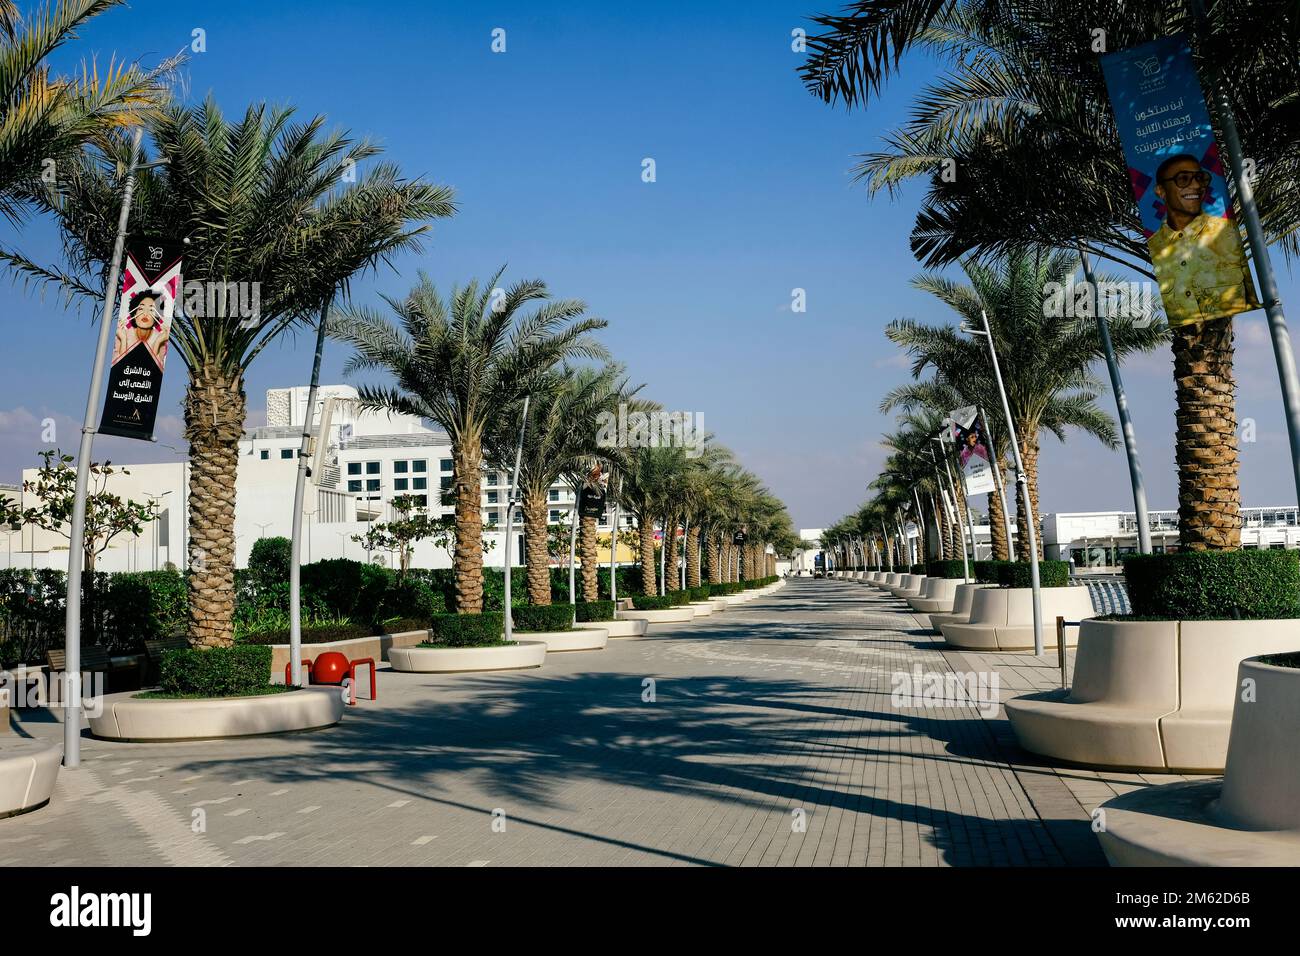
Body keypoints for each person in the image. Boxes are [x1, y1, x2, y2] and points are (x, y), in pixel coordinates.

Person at [1147, 153, 1259, 325]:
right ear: (1160, 191)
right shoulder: (1154, 247)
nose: (1196, 185)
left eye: (1200, 178)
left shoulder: (1228, 233)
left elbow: (1251, 295)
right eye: (1183, 179)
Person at [113, 288, 169, 366]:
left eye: (151, 310)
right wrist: (123, 339)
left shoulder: (160, 339)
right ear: (134, 314)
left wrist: (158, 342)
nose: (145, 313)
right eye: (141, 309)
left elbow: (154, 370)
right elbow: (118, 367)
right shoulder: (122, 335)